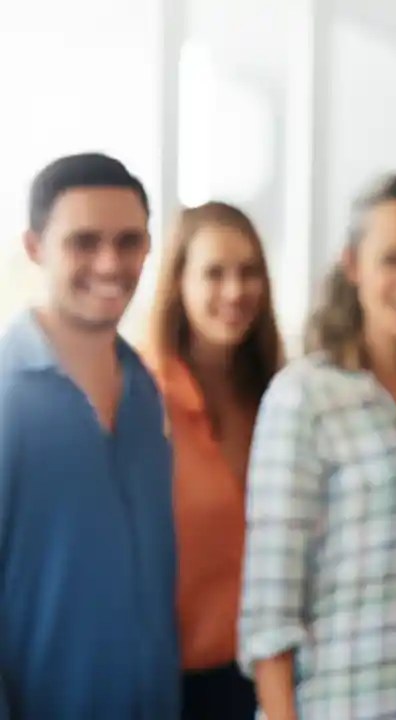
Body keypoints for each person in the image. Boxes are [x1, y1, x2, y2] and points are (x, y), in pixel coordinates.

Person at [237, 172, 396, 719]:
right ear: (353, 264)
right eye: (392, 259)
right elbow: (270, 609)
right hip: (341, 703)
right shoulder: (305, 395)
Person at [0, 153, 179, 717]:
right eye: (84, 242)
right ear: (35, 247)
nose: (109, 263)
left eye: (129, 242)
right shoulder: (6, 398)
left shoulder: (146, 392)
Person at [144, 202, 285, 719]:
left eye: (249, 272)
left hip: (271, 668)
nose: (234, 291)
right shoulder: (144, 397)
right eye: (214, 273)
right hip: (175, 680)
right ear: (179, 283)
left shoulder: (281, 396)